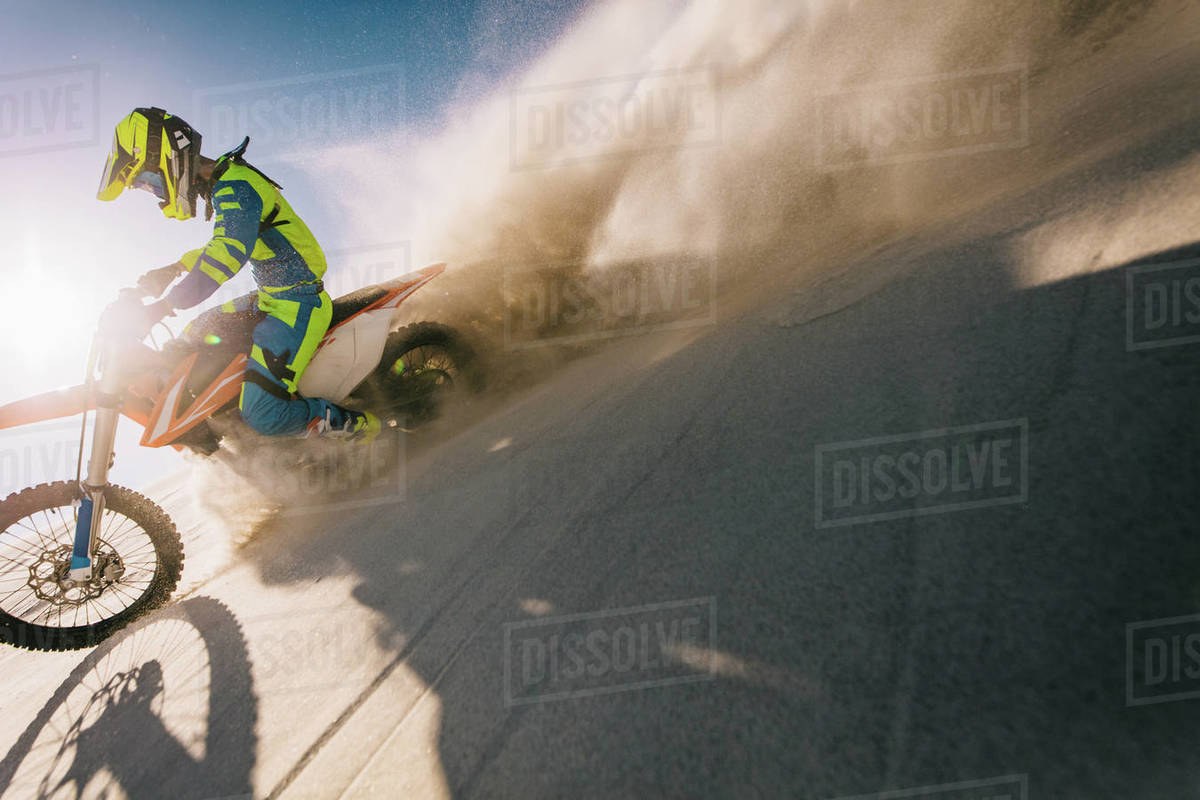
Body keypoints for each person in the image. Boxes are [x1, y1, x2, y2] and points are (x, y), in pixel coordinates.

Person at [96, 107, 379, 442]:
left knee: (263, 413)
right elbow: (224, 242)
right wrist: (174, 268)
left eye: (150, 181)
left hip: (297, 304)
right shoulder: (226, 183)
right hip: (270, 299)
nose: (156, 194)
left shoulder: (236, 186)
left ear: (166, 157)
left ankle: (363, 427)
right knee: (194, 333)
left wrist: (162, 307)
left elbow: (228, 252)